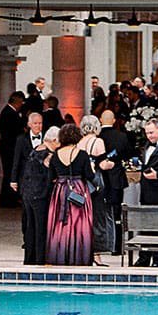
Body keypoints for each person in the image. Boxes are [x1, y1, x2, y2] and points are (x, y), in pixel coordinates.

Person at [46, 123, 95, 265]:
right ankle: (79, 257)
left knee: (60, 224)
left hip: (60, 191)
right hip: (78, 190)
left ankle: (59, 256)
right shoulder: (82, 155)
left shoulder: (55, 155)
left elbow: (51, 178)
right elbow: (89, 175)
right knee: (80, 224)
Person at [17, 127, 57, 261]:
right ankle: (40, 258)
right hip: (39, 195)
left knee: (30, 227)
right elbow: (49, 175)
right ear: (54, 140)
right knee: (40, 228)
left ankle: (29, 258)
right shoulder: (48, 154)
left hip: (28, 193)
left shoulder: (35, 150)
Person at [78, 113, 113, 263]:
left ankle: (83, 250)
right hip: (96, 183)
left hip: (82, 183)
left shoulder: (79, 143)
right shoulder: (98, 142)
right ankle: (96, 253)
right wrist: (113, 163)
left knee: (83, 217)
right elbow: (103, 164)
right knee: (98, 217)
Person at [98, 108, 130, 253]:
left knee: (100, 212)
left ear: (100, 120)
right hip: (116, 178)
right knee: (116, 213)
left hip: (100, 180)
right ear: (114, 121)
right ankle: (117, 246)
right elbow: (127, 154)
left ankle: (102, 243)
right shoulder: (121, 136)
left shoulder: (97, 137)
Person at [0, 91, 26, 208]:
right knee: (10, 173)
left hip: (7, 148)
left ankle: (10, 198)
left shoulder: (7, 112)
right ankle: (8, 199)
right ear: (17, 102)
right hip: (9, 148)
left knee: (10, 173)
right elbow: (15, 131)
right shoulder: (10, 114)